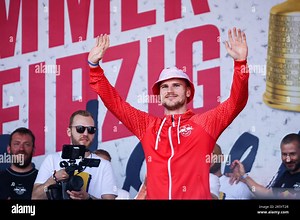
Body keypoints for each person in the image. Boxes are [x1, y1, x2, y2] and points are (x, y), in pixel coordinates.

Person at [88, 27, 249, 199]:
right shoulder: (147, 125)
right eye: (164, 86)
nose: (169, 90)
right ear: (159, 94)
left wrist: (240, 64)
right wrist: (94, 67)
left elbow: (236, 102)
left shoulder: (205, 123)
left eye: (176, 85)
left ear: (188, 92)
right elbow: (115, 103)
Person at [32, 110, 118, 200]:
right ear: (69, 132)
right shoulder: (52, 159)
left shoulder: (103, 164)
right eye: (80, 128)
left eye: (90, 130)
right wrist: (54, 178)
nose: (85, 133)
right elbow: (35, 197)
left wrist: (88, 198)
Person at [230, 133, 300, 199]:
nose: (288, 160)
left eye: (292, 154)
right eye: (284, 154)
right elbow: (266, 194)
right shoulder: (287, 175)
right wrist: (244, 177)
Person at [0, 127, 38, 200]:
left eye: (26, 144)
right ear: (8, 149)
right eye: (16, 144)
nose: (21, 149)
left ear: (33, 150)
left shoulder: (43, 179)